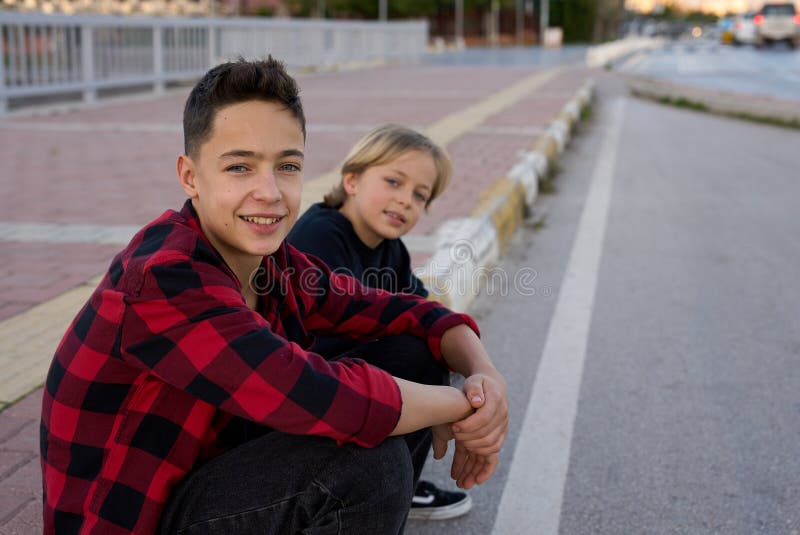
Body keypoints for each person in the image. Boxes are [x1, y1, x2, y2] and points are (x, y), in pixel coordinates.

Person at [40, 57, 508, 535]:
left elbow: (401, 312)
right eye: (239, 166)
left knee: (412, 355)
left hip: (205, 474)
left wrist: (485, 377)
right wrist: (467, 408)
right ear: (190, 176)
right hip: (135, 516)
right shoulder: (165, 277)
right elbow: (313, 391)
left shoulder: (275, 265)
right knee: (368, 467)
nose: (269, 192)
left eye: (286, 166)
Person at [287, 124, 473, 521]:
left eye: (420, 195)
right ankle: (379, 489)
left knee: (429, 350)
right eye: (393, 181)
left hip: (353, 379)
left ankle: (400, 485)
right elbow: (346, 319)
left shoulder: (392, 250)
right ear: (352, 180)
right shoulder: (321, 235)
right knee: (417, 354)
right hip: (306, 388)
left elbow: (422, 308)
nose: (405, 200)